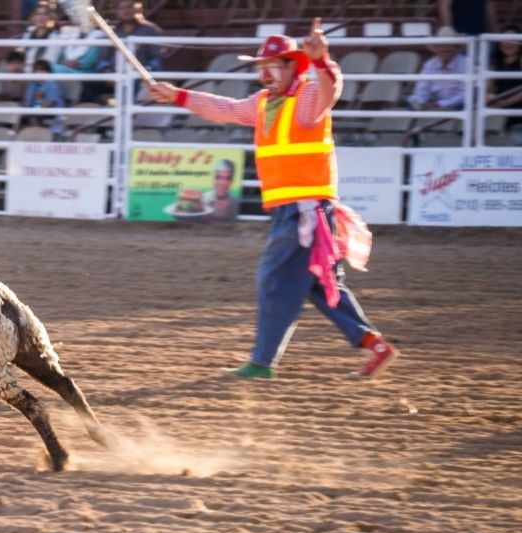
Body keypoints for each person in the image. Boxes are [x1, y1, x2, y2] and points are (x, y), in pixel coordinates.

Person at [150, 19, 399, 379]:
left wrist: (322, 60)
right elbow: (227, 109)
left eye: (272, 66)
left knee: (274, 280)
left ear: (292, 66)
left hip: (303, 210)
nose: (265, 74)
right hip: (302, 210)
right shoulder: (265, 102)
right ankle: (374, 345)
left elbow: (331, 88)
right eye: (262, 68)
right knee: (320, 286)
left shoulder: (307, 98)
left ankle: (263, 363)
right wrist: (179, 96)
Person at [407, 26, 469, 111]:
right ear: (436, 48)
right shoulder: (430, 64)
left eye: (449, 45)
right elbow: (422, 89)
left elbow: (466, 95)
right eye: (441, 45)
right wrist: (421, 103)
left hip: (459, 108)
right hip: (434, 105)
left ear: (456, 47)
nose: (445, 48)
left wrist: (439, 104)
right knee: (412, 100)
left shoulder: (467, 63)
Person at [488, 24, 522, 128]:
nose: (508, 43)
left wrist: (506, 102)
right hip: (499, 105)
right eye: (505, 40)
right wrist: (490, 98)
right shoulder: (496, 61)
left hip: (517, 107)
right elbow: (489, 86)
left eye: (513, 40)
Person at [19, 1, 60, 73]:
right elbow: (21, 55)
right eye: (38, 14)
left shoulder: (54, 36)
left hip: (43, 72)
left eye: (45, 14)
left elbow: (50, 60)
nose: (41, 17)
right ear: (32, 18)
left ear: (49, 17)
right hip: (25, 72)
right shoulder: (28, 35)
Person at [22, 58, 64, 128]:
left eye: (42, 70)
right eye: (36, 70)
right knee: (19, 118)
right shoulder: (32, 85)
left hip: (51, 113)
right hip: (36, 111)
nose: (39, 73)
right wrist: (25, 111)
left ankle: (39, 136)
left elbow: (51, 102)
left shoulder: (52, 84)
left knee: (33, 118)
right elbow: (27, 101)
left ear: (48, 73)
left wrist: (36, 110)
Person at [202, 158, 240, 222]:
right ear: (213, 178)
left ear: (232, 181)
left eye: (227, 178)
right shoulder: (203, 200)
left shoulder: (234, 202)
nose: (222, 183)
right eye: (218, 177)